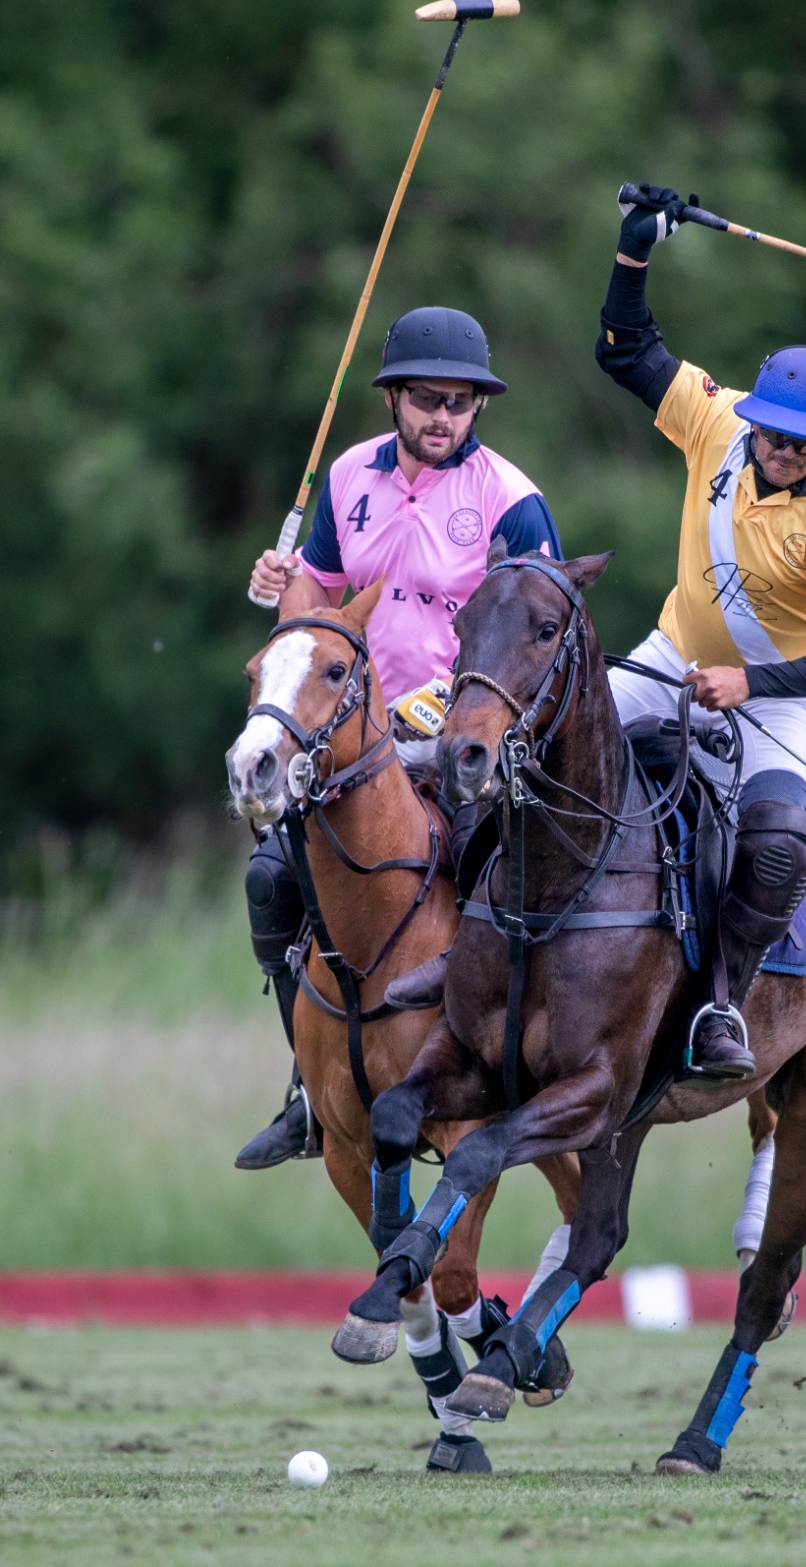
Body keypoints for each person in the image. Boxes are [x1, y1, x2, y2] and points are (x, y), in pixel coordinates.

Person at [236, 306, 562, 1170]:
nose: (443, 417)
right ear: (393, 399)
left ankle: (531, 1063)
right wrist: (284, 586)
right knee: (273, 878)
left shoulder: (511, 499)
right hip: (356, 741)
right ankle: (310, 1093)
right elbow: (313, 619)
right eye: (427, 399)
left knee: (503, 883)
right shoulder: (347, 477)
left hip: (466, 738)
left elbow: (543, 628)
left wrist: (466, 714)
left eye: (460, 402)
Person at [595, 184, 806, 1082]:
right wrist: (633, 252)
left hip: (781, 696)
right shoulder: (720, 420)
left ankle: (721, 1004)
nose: (777, 452)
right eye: (771, 437)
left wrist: (749, 686)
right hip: (667, 657)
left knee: (771, 850)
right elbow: (624, 350)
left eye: (799, 447)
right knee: (529, 756)